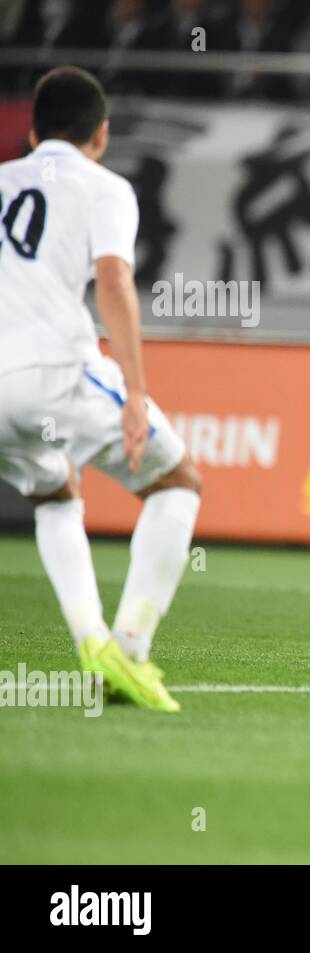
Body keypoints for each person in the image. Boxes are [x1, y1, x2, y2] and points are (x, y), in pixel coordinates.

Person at [0, 66, 201, 712]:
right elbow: (113, 282)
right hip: (57, 371)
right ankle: (131, 647)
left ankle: (92, 641)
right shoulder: (105, 188)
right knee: (177, 482)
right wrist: (136, 391)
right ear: (102, 135)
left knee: (56, 491)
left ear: (31, 133)